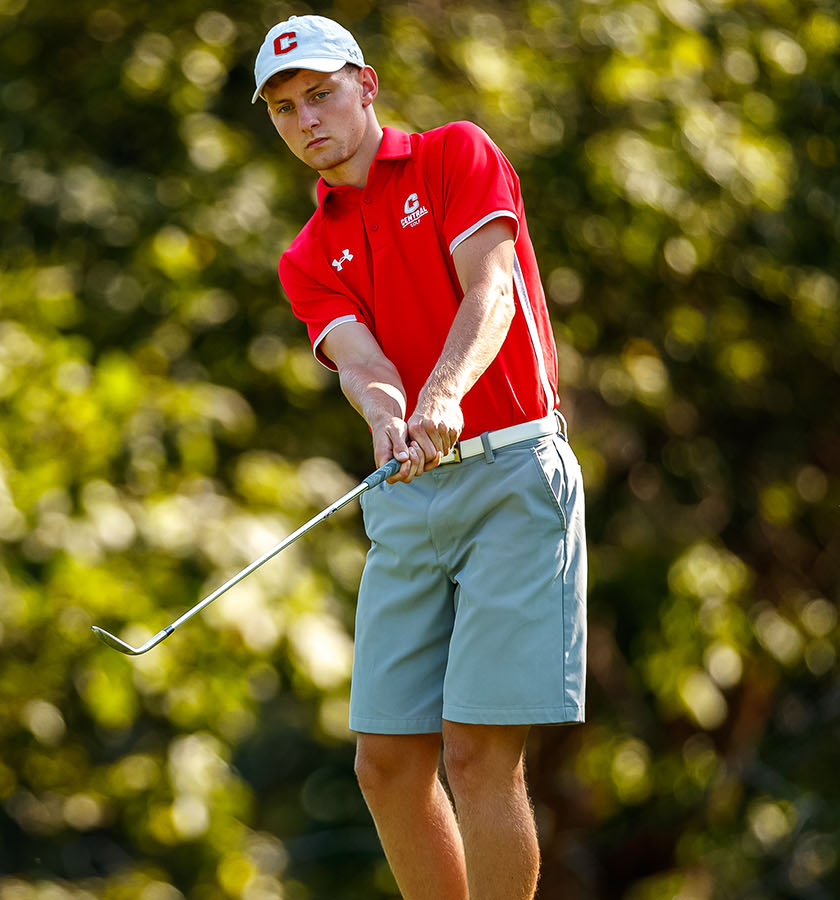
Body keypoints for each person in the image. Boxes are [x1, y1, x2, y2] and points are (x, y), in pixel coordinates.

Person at [251, 15, 587, 900]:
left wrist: (441, 395)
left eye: (320, 94)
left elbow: (493, 289)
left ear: (365, 85)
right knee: (386, 765)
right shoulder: (307, 254)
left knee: (476, 755)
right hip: (407, 494)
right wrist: (388, 411)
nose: (306, 119)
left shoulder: (453, 155)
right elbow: (360, 363)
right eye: (284, 109)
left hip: (513, 475)